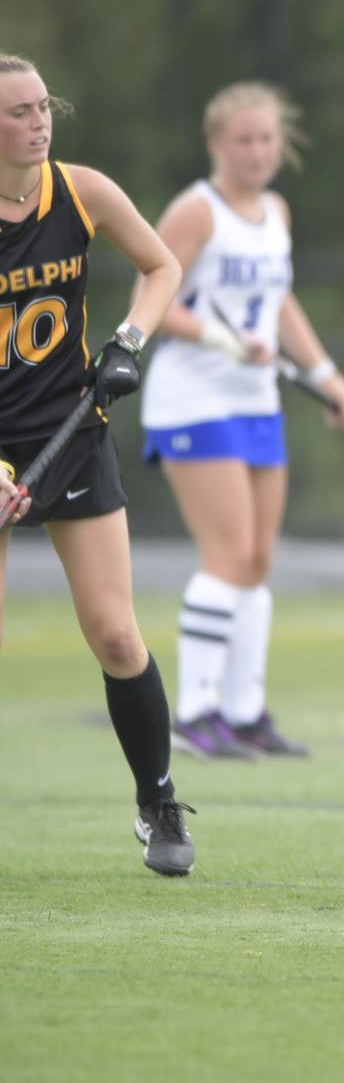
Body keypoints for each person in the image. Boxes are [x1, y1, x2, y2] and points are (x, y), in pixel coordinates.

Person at [0, 53, 194, 875]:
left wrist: (128, 342)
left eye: (44, 106)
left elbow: (162, 267)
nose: (39, 121)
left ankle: (157, 799)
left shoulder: (81, 191)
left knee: (116, 633)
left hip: (71, 428)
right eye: (19, 111)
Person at [139, 82, 344, 761]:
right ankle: (195, 714)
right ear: (217, 144)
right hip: (194, 400)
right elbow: (152, 299)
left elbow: (279, 301)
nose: (258, 151)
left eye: (267, 139)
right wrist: (225, 340)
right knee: (228, 555)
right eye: (244, 139)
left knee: (258, 559)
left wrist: (326, 377)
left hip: (256, 401)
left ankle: (243, 714)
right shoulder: (195, 211)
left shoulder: (276, 212)